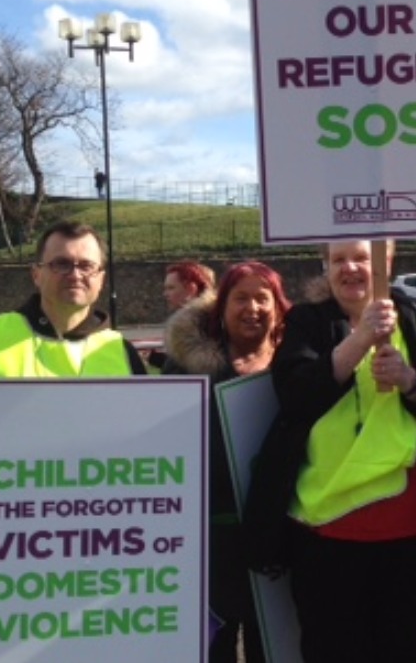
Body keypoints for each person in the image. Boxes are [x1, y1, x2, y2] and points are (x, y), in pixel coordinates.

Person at [266, 239, 416, 663]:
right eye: (338, 259)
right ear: (325, 267)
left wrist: (411, 381)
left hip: (413, 536)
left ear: (385, 261)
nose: (350, 268)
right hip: (327, 534)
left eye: (361, 257)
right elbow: (295, 395)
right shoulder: (307, 322)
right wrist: (359, 339)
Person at [161, 261, 293, 663]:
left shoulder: (300, 365)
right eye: (240, 298)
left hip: (279, 539)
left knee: (272, 648)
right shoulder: (184, 371)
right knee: (212, 649)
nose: (252, 307)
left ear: (278, 308)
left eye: (262, 298)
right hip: (208, 543)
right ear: (222, 308)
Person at [0, 220, 147, 444]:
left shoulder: (121, 350)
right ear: (36, 274)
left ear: (101, 278)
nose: (75, 275)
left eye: (86, 266)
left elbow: (150, 430)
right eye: (61, 264)